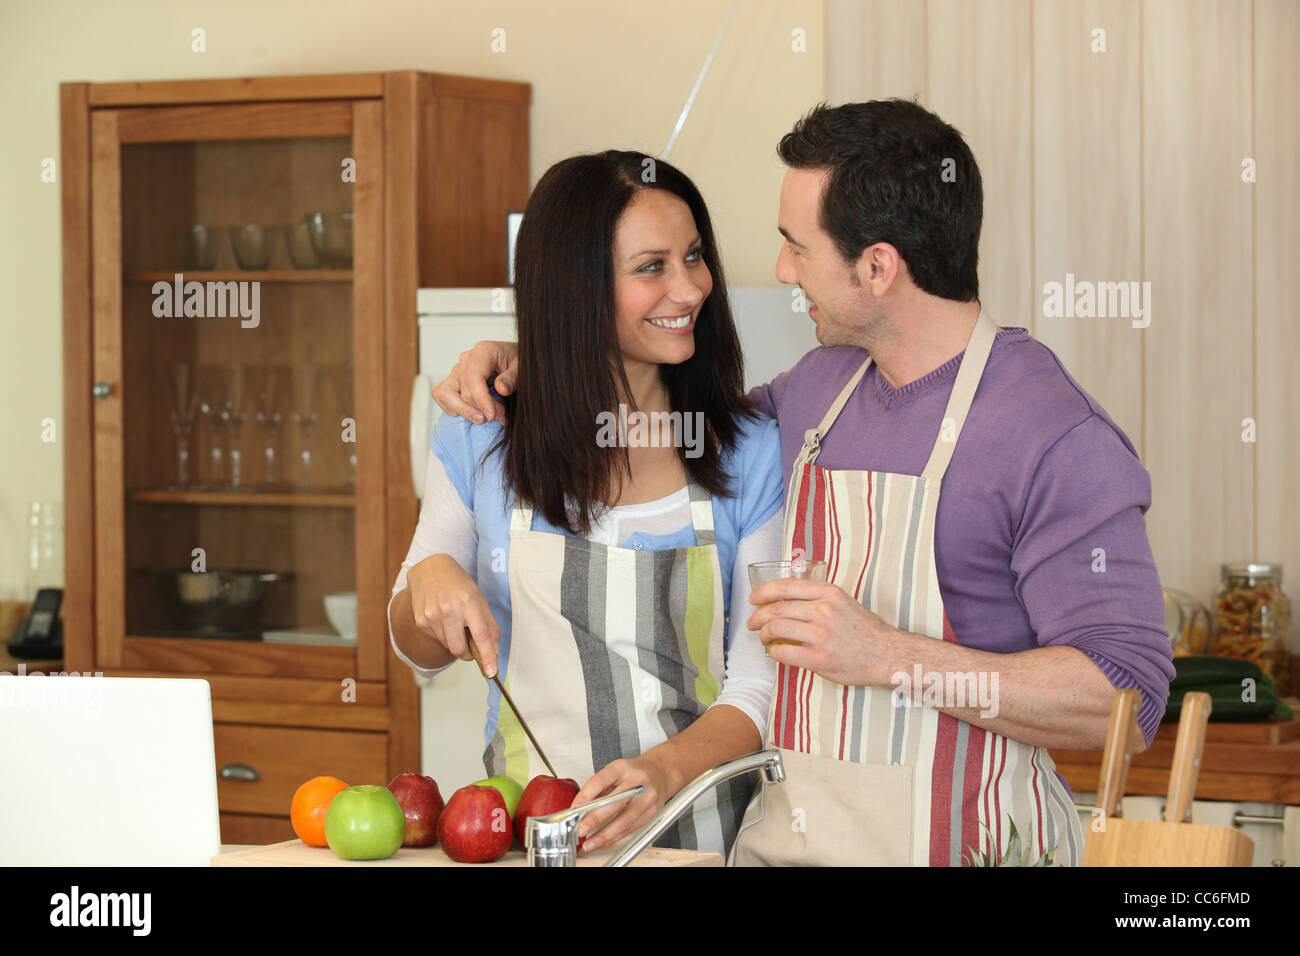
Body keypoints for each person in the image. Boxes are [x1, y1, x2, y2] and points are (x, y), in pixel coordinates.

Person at [432, 100, 1175, 867]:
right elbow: (659, 426)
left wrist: (889, 655)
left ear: (878, 267)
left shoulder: (1054, 434)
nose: (782, 270)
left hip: (967, 849)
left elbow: (1125, 699)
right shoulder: (820, 390)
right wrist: (530, 363)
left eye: (797, 246)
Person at [388, 150, 784, 857]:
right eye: (651, 267)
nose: (692, 288)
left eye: (693, 257)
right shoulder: (481, 436)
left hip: (698, 843)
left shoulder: (749, 449)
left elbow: (761, 682)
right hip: (524, 840)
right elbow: (414, 650)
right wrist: (428, 580)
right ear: (576, 290)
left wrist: (662, 772)